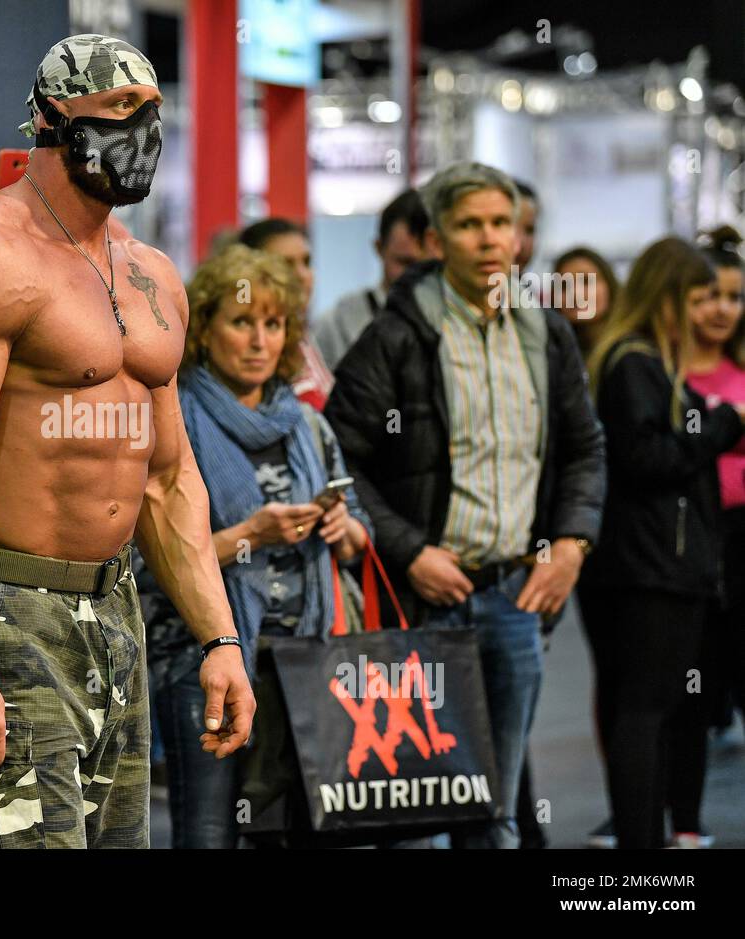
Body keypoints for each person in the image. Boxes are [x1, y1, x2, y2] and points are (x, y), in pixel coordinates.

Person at [0, 33, 255, 849]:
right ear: (53, 119)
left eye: (154, 111)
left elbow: (168, 478)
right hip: (8, 609)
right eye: (123, 109)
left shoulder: (152, 274)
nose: (145, 129)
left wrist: (219, 637)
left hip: (116, 606)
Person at [323, 161, 607, 848]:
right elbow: (337, 459)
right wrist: (408, 549)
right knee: (415, 818)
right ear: (436, 239)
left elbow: (584, 450)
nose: (488, 239)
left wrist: (570, 542)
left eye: (500, 224)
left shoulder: (545, 332)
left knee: (496, 813)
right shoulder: (397, 335)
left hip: (514, 598)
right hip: (418, 603)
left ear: (518, 237)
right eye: (469, 224)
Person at [142, 244, 370, 848]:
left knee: (297, 831)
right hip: (203, 658)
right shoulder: (174, 417)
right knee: (208, 832)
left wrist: (344, 528)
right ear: (205, 330)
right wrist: (250, 536)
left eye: (273, 324)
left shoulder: (306, 422)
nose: (259, 340)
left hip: (304, 660)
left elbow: (359, 530)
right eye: (242, 322)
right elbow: (145, 561)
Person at [578, 236, 745, 850]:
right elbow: (646, 458)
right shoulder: (635, 362)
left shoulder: (642, 363)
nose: (707, 311)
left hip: (649, 565)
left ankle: (648, 842)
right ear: (666, 296)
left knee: (653, 710)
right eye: (697, 296)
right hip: (649, 567)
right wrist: (724, 424)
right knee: (646, 713)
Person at [666, 227, 745, 848]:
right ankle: (685, 827)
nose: (722, 309)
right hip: (684, 545)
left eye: (735, 298)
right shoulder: (658, 376)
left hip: (743, 540)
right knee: (687, 688)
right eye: (710, 296)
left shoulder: (741, 372)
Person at [314, 189, 430, 369]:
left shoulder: (455, 320)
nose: (416, 273)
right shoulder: (339, 323)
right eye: (404, 262)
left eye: (428, 264)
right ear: (378, 248)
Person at [237, 217, 336, 410]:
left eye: (306, 262)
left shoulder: (301, 336)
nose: (301, 275)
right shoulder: (253, 346)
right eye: (285, 264)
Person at [553, 246, 618, 358]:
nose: (575, 293)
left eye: (586, 281)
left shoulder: (629, 354)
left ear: (609, 286)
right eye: (564, 285)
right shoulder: (553, 353)